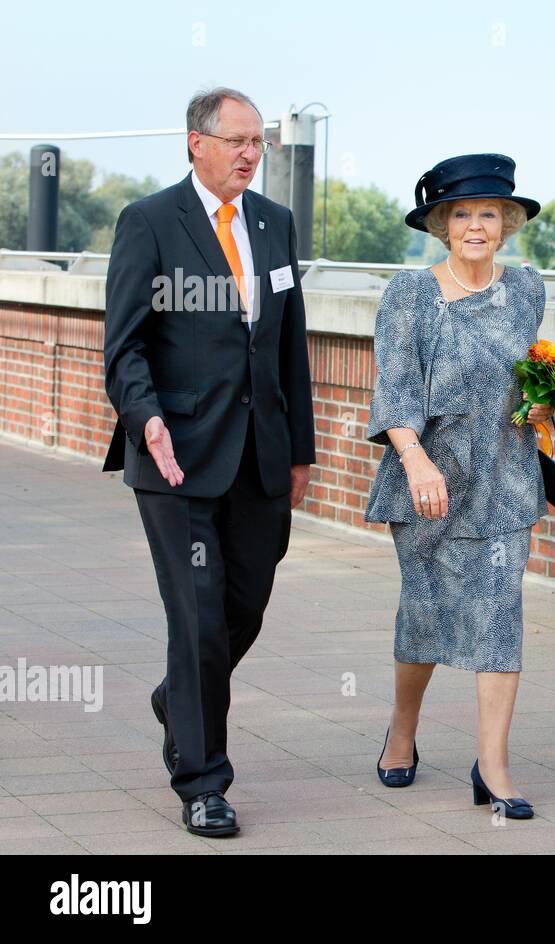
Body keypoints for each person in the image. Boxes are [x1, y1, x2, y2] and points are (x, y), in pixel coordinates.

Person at [102, 87, 316, 837]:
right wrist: (147, 417)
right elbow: (123, 343)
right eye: (237, 141)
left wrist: (301, 452)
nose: (251, 155)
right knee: (196, 618)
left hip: (261, 458)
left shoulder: (274, 223)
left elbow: (290, 346)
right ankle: (203, 781)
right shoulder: (150, 222)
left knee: (243, 607)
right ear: (196, 143)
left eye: (258, 142)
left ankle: (179, 697)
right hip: (176, 459)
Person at [364, 154, 551, 819]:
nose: (477, 226)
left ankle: (493, 767)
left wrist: (542, 405)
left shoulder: (528, 288)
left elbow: (531, 371)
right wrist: (415, 460)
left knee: (500, 616)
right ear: (443, 224)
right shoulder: (409, 293)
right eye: (464, 214)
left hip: (505, 476)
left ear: (507, 223)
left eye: (490, 214)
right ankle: (403, 729)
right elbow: (395, 388)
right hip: (427, 481)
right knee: (428, 614)